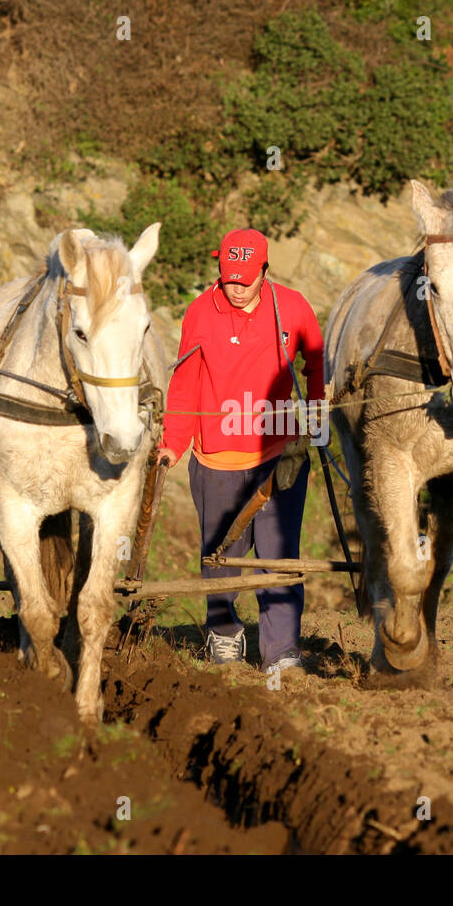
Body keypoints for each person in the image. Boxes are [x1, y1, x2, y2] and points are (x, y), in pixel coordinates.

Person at [159, 228, 324, 676]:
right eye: (228, 278)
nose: (234, 286)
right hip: (216, 459)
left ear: (265, 271)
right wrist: (172, 444)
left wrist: (316, 411)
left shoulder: (292, 307)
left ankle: (282, 652)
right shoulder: (199, 312)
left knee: (277, 557)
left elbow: (315, 357)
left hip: (278, 456)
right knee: (220, 559)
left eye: (244, 280)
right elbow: (185, 382)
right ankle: (225, 636)